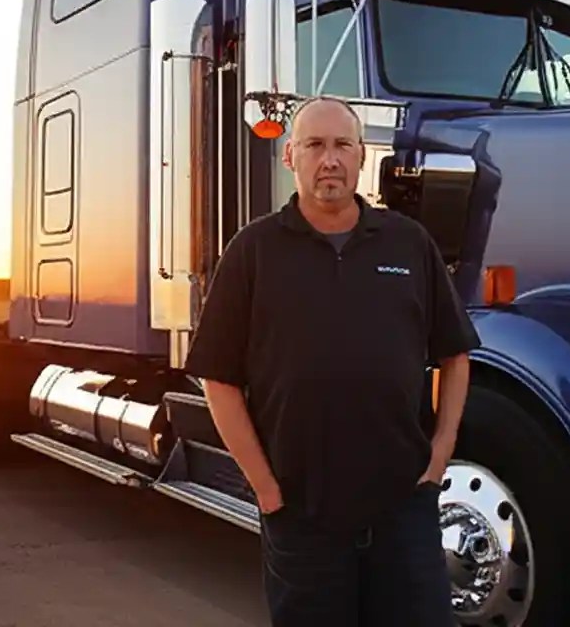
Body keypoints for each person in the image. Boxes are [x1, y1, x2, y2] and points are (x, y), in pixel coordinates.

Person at [182, 95, 480, 626]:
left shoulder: (407, 243)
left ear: (362, 155)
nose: (330, 159)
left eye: (343, 144)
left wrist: (440, 453)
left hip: (402, 506)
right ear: (290, 157)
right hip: (302, 513)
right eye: (314, 145)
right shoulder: (254, 250)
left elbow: (454, 353)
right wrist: (266, 489)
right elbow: (218, 377)